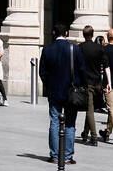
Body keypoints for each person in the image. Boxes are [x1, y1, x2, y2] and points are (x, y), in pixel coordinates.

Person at [39, 24, 86, 163]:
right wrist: (83, 86)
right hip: (72, 92)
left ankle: (54, 155)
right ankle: (67, 156)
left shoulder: (47, 50)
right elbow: (82, 70)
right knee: (70, 123)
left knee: (54, 122)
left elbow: (42, 72)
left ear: (54, 33)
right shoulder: (75, 49)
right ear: (66, 33)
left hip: (54, 92)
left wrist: (49, 85)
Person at [78, 25, 105, 146]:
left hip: (87, 82)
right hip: (98, 82)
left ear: (84, 35)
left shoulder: (80, 48)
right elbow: (105, 65)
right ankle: (85, 132)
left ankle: (93, 136)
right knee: (91, 108)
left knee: (89, 110)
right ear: (93, 34)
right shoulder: (99, 48)